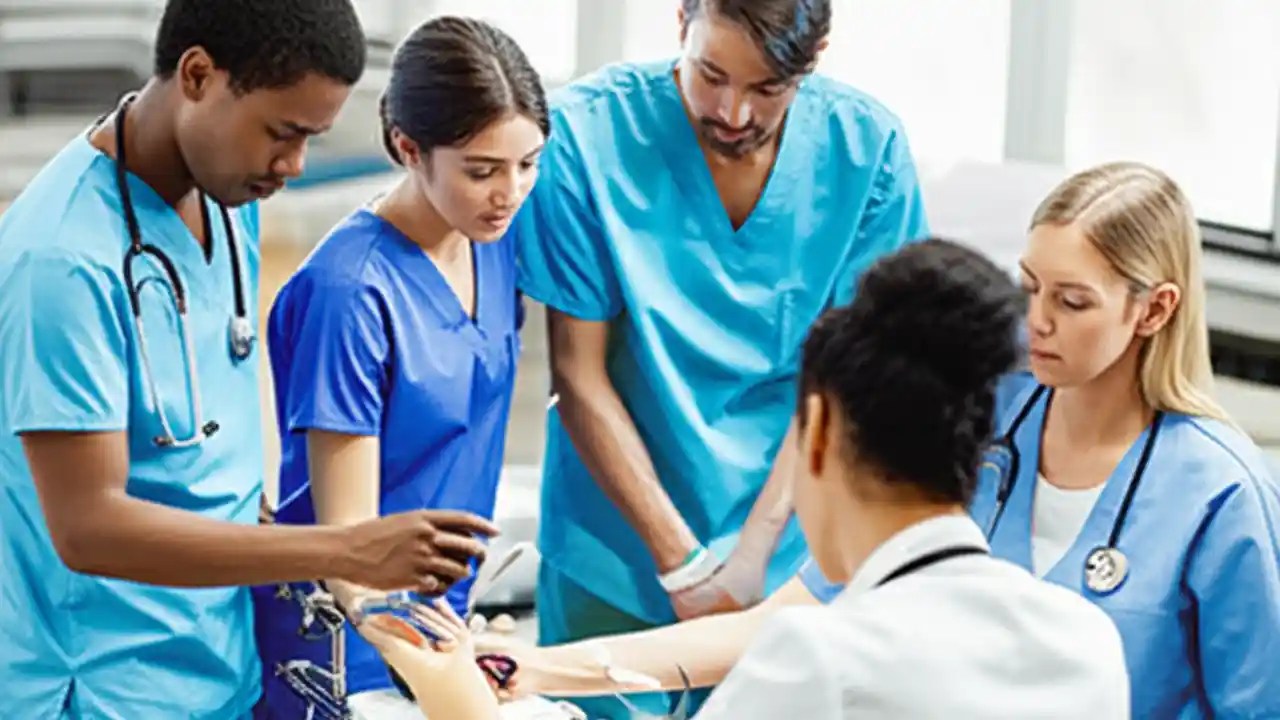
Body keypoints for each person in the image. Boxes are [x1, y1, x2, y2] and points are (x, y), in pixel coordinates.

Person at [472, 162, 1280, 720]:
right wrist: (538, 667)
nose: (1036, 322)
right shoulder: (983, 408)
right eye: (1030, 288)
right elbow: (800, 612)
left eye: (1072, 302)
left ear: (1154, 308)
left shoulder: (1220, 497)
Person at [355, 238, 1133, 720]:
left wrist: (468, 713)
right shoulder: (1084, 645)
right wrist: (536, 672)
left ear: (816, 432)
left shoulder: (820, 665)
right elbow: (751, 632)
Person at [0, 3, 497, 718]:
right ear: (199, 75)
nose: (292, 167)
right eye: (282, 133)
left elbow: (200, 457)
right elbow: (89, 528)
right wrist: (342, 549)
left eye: (311, 139)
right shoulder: (62, 260)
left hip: (220, 673)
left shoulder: (229, 197)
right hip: (104, 693)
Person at [513, 1, 928, 713]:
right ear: (682, 20)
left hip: (788, 560)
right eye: (711, 75)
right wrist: (682, 562)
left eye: (768, 88)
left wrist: (750, 559)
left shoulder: (867, 153)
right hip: (616, 552)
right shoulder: (588, 134)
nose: (733, 112)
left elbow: (841, 382)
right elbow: (578, 376)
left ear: (816, 55)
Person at [251, 16, 547, 720]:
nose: (510, 191)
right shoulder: (349, 292)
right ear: (408, 148)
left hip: (440, 634)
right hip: (342, 647)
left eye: (528, 164)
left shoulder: (492, 241)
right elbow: (349, 553)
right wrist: (450, 685)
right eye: (481, 170)